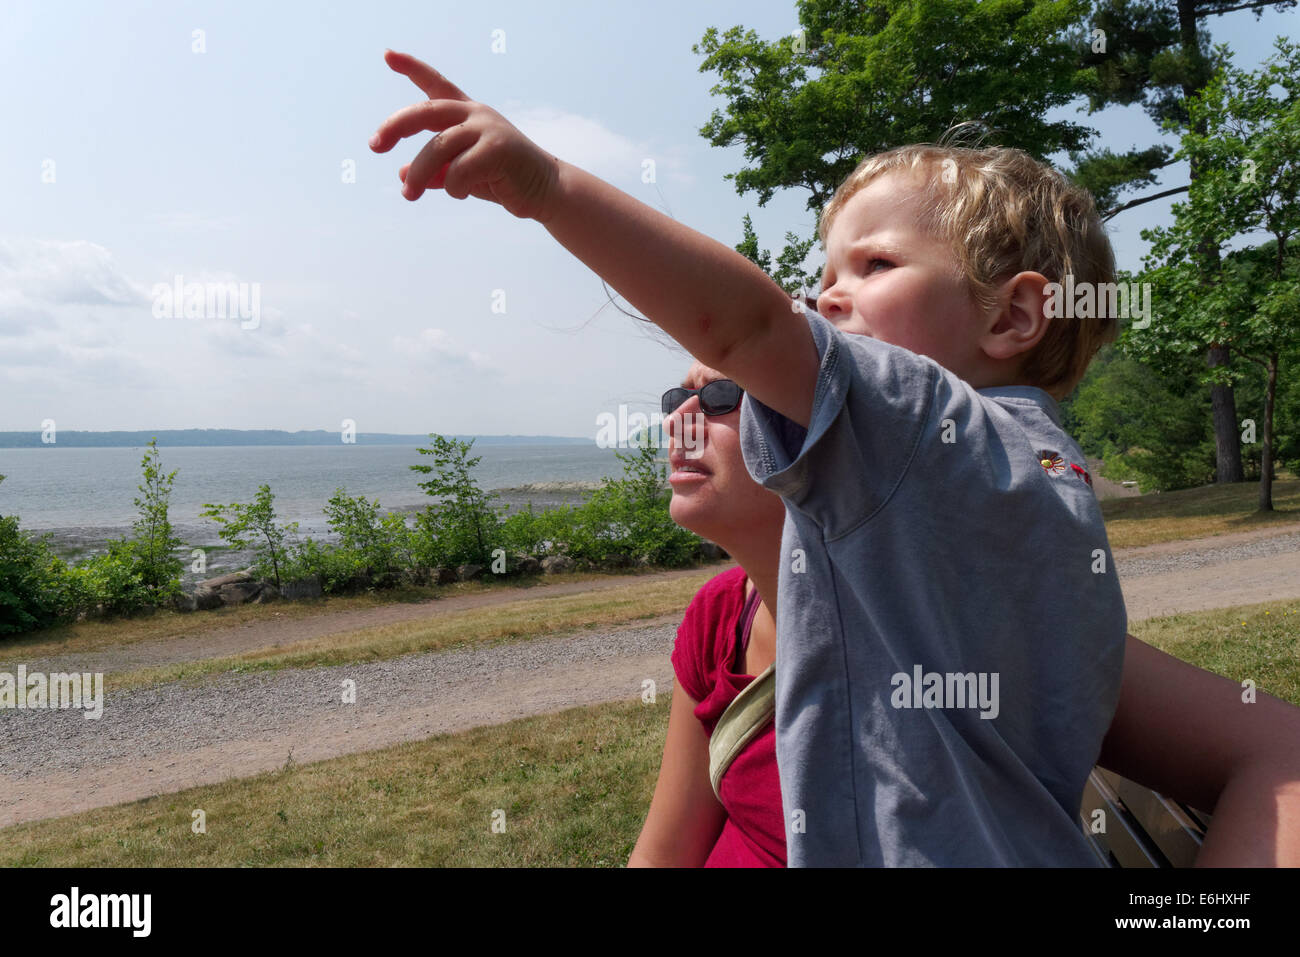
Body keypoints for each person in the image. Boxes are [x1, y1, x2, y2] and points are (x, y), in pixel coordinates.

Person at [368, 50, 1263, 864]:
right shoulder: (1015, 479)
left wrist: (547, 184)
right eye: (825, 270)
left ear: (1011, 318)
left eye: (873, 265)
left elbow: (751, 322)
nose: (828, 296)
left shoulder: (942, 430)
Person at [627, 360, 1300, 867]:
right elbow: (664, 850)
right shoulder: (721, 615)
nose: (680, 419)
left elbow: (1282, 752)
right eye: (675, 398)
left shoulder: (968, 625)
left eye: (721, 395)